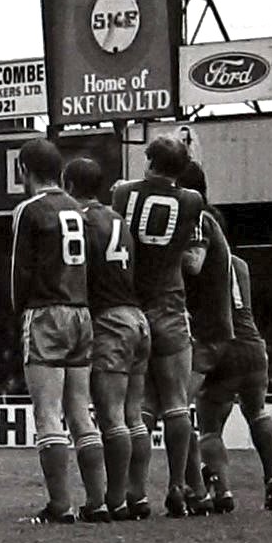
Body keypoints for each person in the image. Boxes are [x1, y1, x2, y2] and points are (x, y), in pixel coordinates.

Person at [112, 135, 209, 517]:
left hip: (131, 307)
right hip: (169, 307)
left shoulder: (121, 194)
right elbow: (193, 260)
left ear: (149, 160)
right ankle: (178, 486)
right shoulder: (192, 202)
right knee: (176, 404)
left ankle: (136, 490)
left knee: (136, 408)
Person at [11, 138, 103, 524]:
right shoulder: (79, 211)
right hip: (81, 313)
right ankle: (97, 503)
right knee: (81, 412)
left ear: (24, 170)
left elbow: (19, 272)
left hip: (46, 313)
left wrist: (21, 314)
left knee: (48, 414)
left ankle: (59, 506)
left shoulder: (29, 210)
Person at [65, 156, 149, 521]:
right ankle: (138, 496)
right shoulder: (119, 219)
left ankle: (112, 500)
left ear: (68, 186)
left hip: (110, 322)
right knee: (133, 416)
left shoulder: (81, 222)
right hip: (137, 318)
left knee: (111, 417)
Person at [196, 254, 272, 510]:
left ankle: (223, 492)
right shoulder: (241, 264)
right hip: (253, 345)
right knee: (257, 411)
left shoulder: (199, 261)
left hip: (221, 344)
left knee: (210, 427)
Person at [175, 161, 235, 516]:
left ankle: (192, 490)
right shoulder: (210, 220)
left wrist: (158, 251)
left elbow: (193, 263)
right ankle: (221, 491)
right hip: (222, 333)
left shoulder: (195, 216)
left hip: (206, 334)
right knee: (207, 425)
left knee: (175, 410)